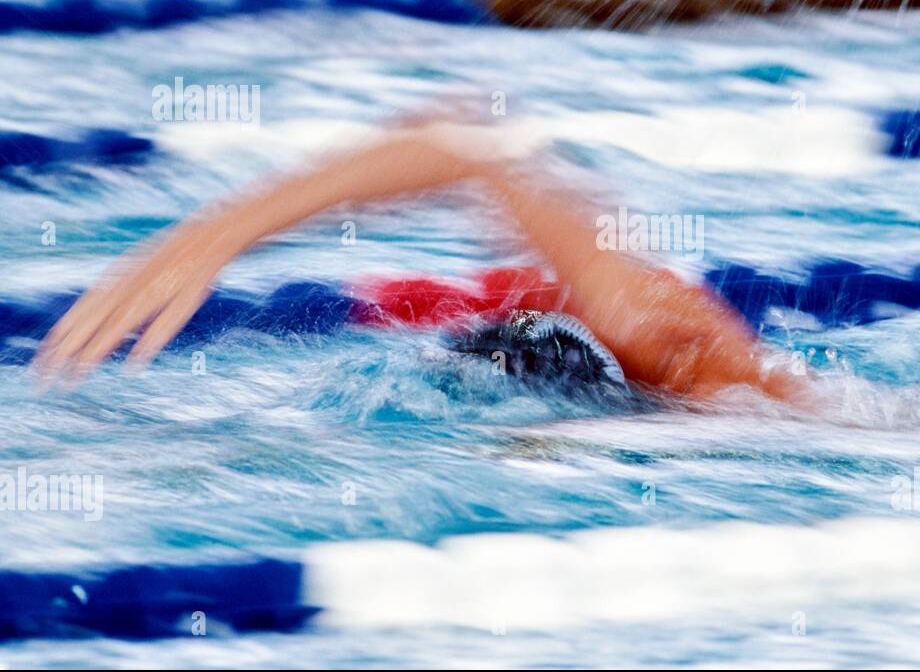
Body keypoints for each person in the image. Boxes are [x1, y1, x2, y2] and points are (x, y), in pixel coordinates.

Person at [34, 118, 812, 405]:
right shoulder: (640, 331)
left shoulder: (653, 332)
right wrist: (219, 231)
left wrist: (222, 231)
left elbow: (469, 148)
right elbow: (472, 149)